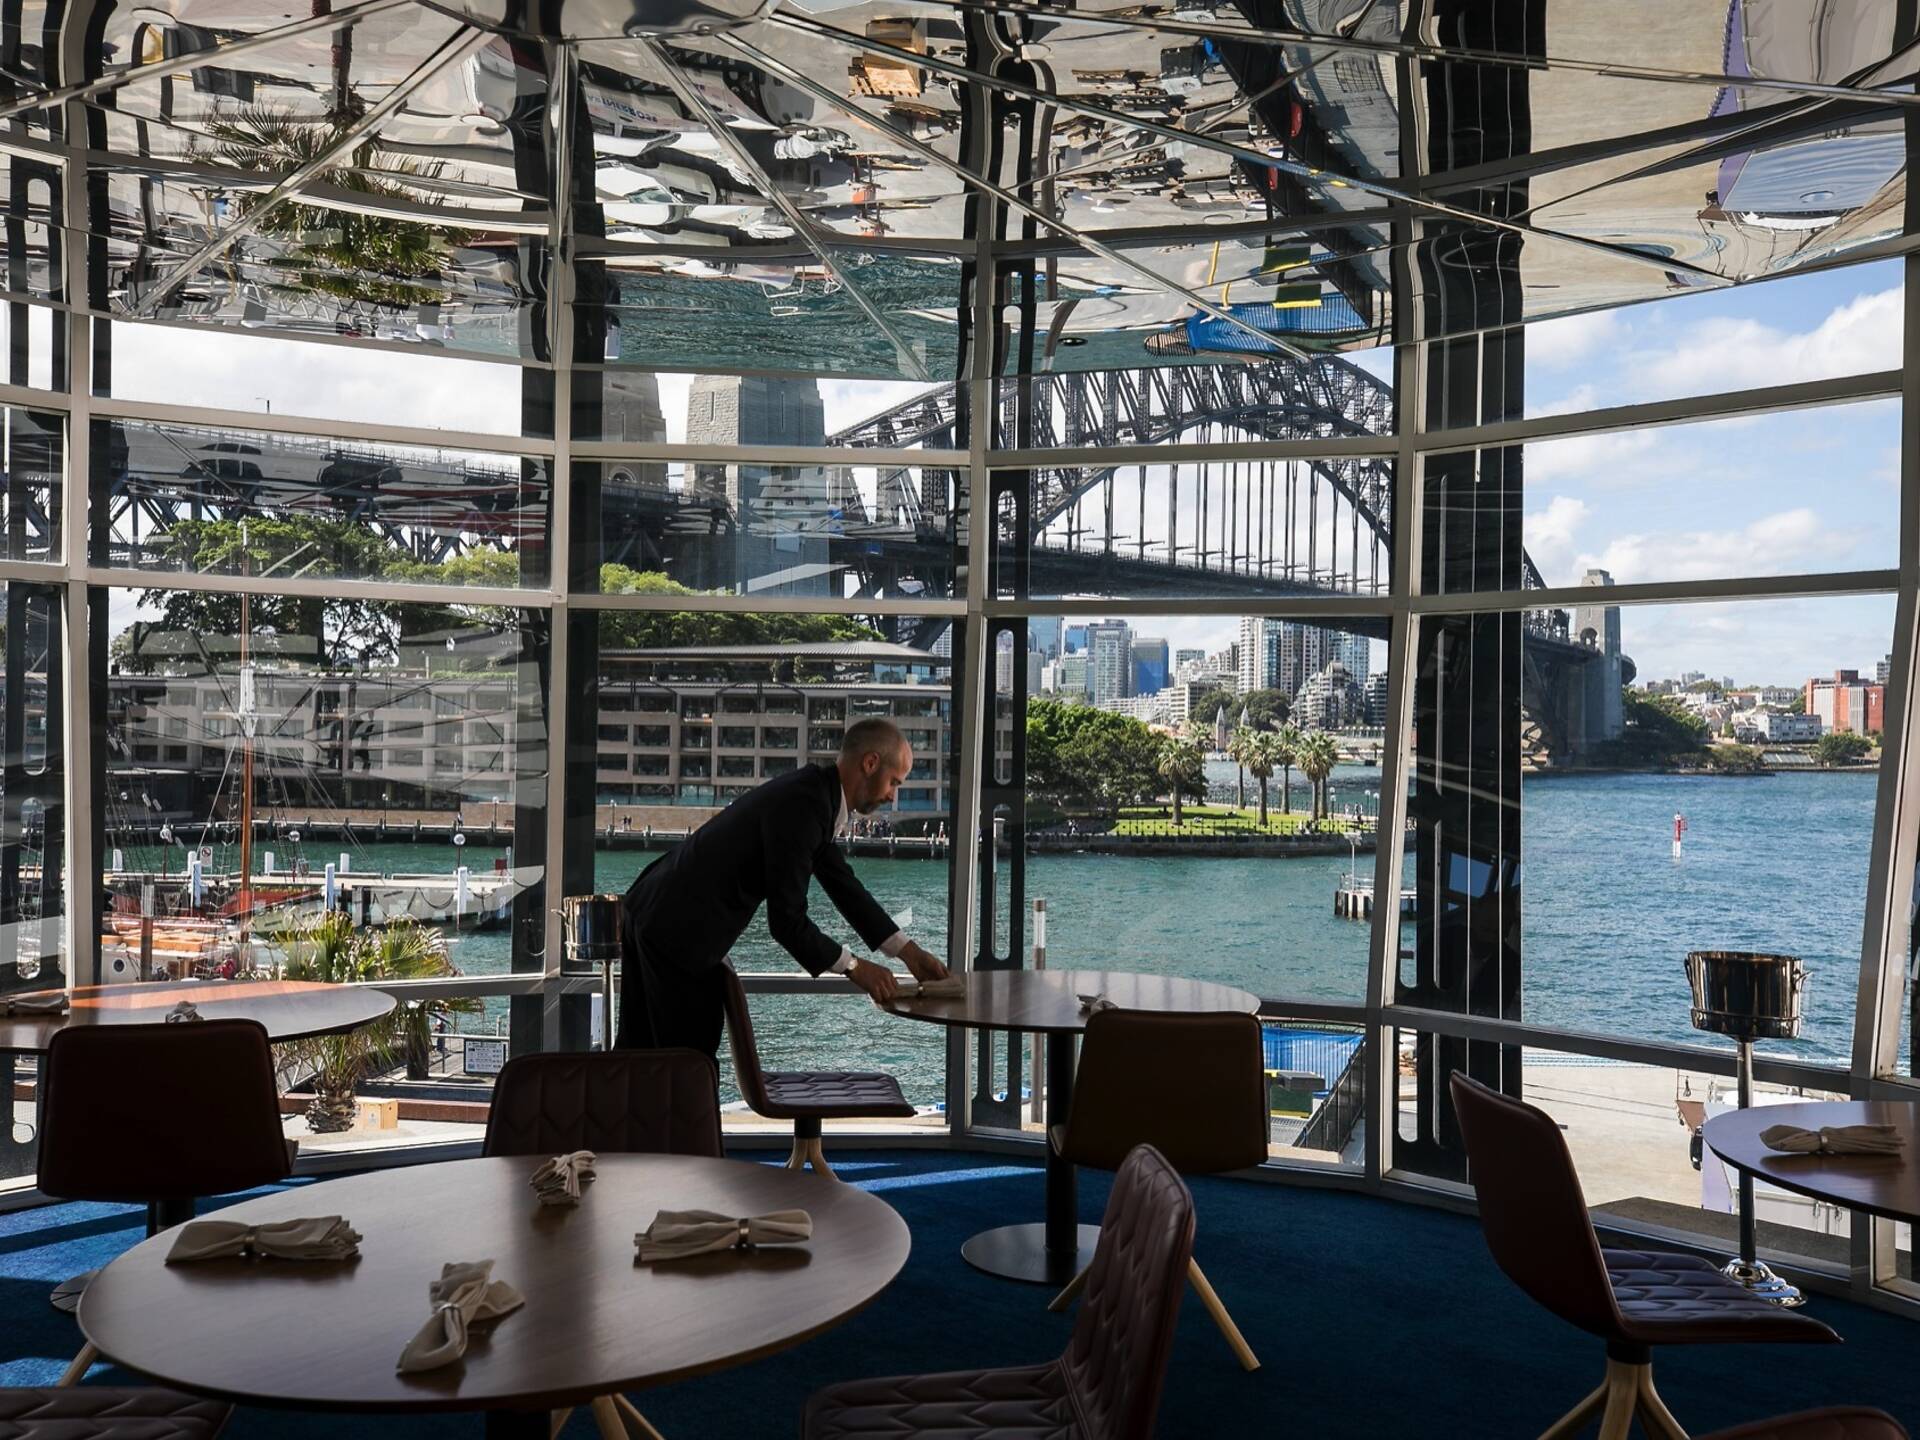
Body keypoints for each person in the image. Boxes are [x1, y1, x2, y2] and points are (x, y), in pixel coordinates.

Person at [616, 718, 950, 1058]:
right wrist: (855, 968)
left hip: (655, 911)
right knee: (686, 1070)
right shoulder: (806, 807)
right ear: (870, 763)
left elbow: (846, 888)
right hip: (676, 931)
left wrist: (910, 953)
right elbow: (787, 923)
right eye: (894, 782)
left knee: (639, 1065)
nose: (892, 795)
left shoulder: (813, 797)